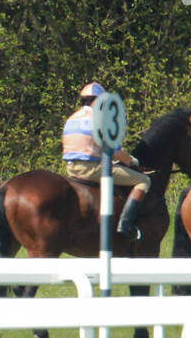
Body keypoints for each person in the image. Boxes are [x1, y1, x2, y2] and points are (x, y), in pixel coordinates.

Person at [62, 82, 151, 239]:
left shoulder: (72, 118)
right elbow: (115, 150)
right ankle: (126, 223)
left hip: (71, 169)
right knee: (143, 181)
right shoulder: (98, 119)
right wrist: (131, 161)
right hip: (91, 169)